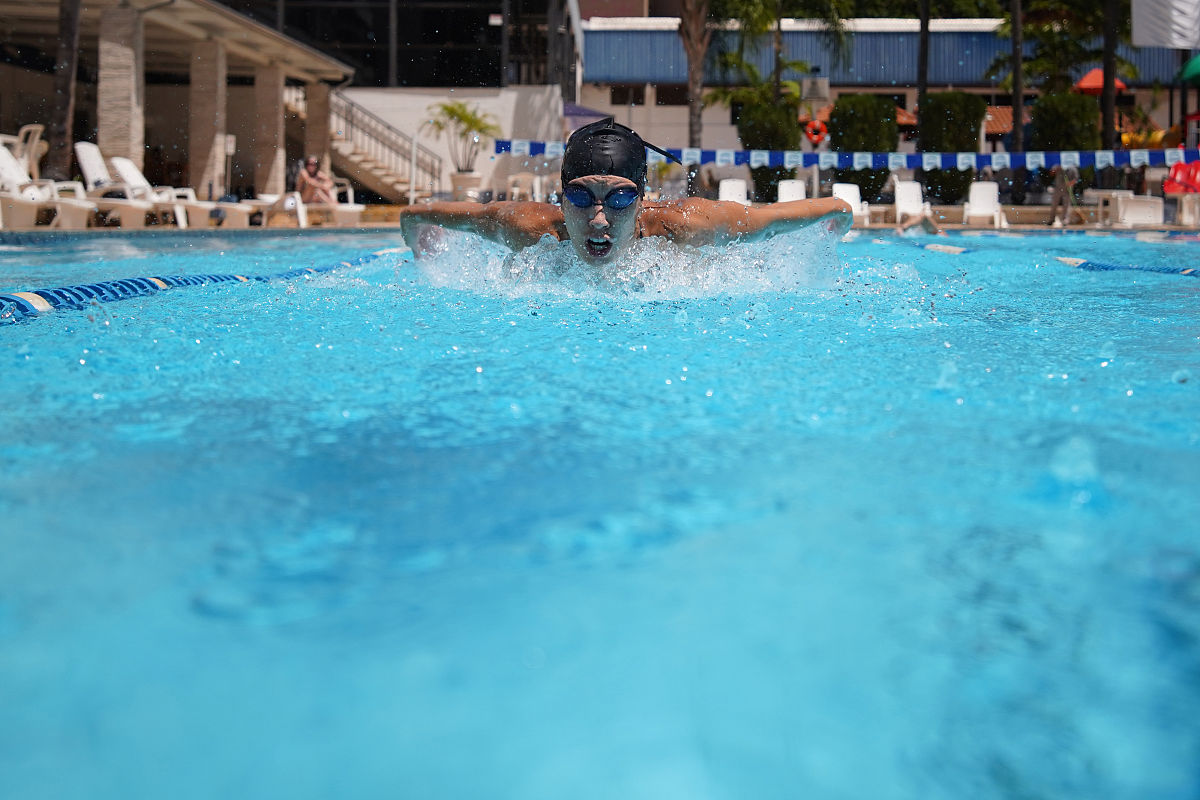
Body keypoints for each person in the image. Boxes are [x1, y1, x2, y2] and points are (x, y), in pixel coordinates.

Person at [398, 117, 850, 265]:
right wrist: (420, 242)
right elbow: (417, 215)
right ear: (560, 198)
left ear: (643, 199)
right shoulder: (529, 228)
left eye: (619, 199)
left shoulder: (687, 225)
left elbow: (772, 221)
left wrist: (837, 215)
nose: (599, 219)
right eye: (580, 197)